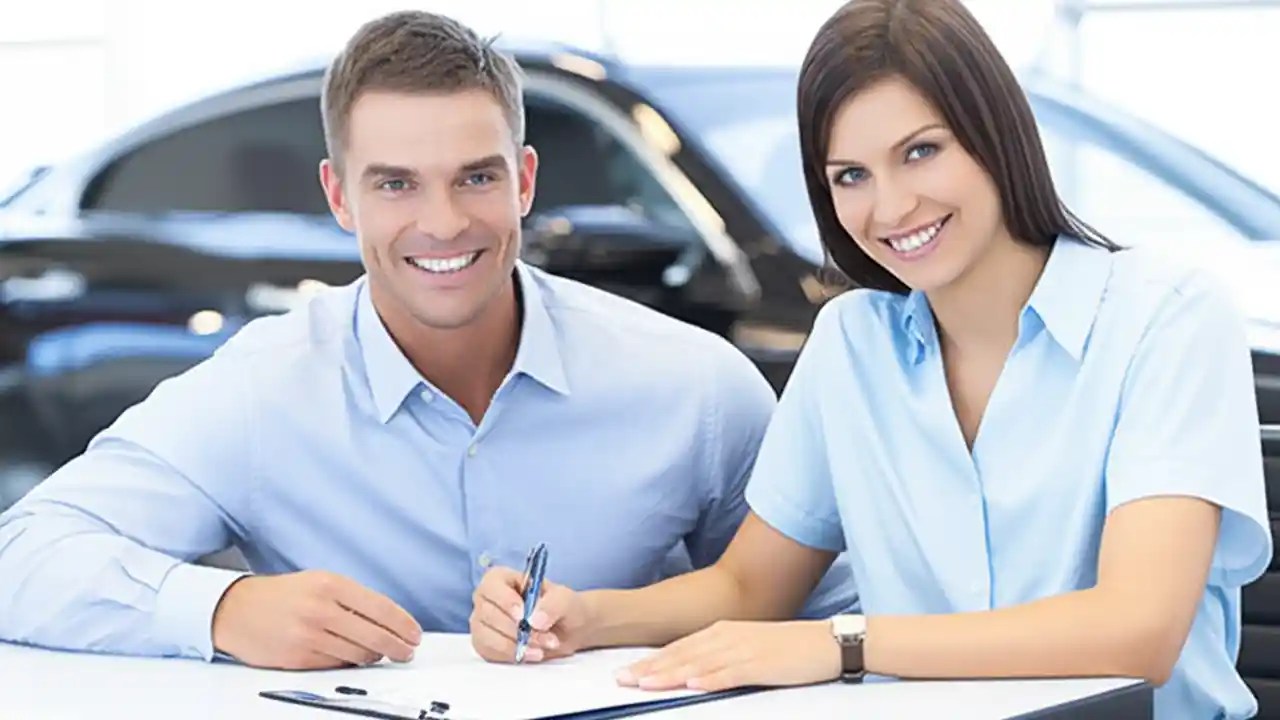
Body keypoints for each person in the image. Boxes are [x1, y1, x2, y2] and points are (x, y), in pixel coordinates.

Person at [468, 1, 1272, 717]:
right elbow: (751, 586)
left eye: (920, 152)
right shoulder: (853, 343)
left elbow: (1137, 631)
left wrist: (844, 645)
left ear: (995, 134)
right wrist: (583, 617)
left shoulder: (1164, 316)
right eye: (851, 175)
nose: (890, 207)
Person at [0, 10, 855, 670]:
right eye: (397, 184)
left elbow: (822, 614)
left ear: (523, 181)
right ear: (340, 198)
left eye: (475, 177)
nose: (442, 223)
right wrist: (221, 611)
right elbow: (23, 557)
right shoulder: (261, 390)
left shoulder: (698, 387)